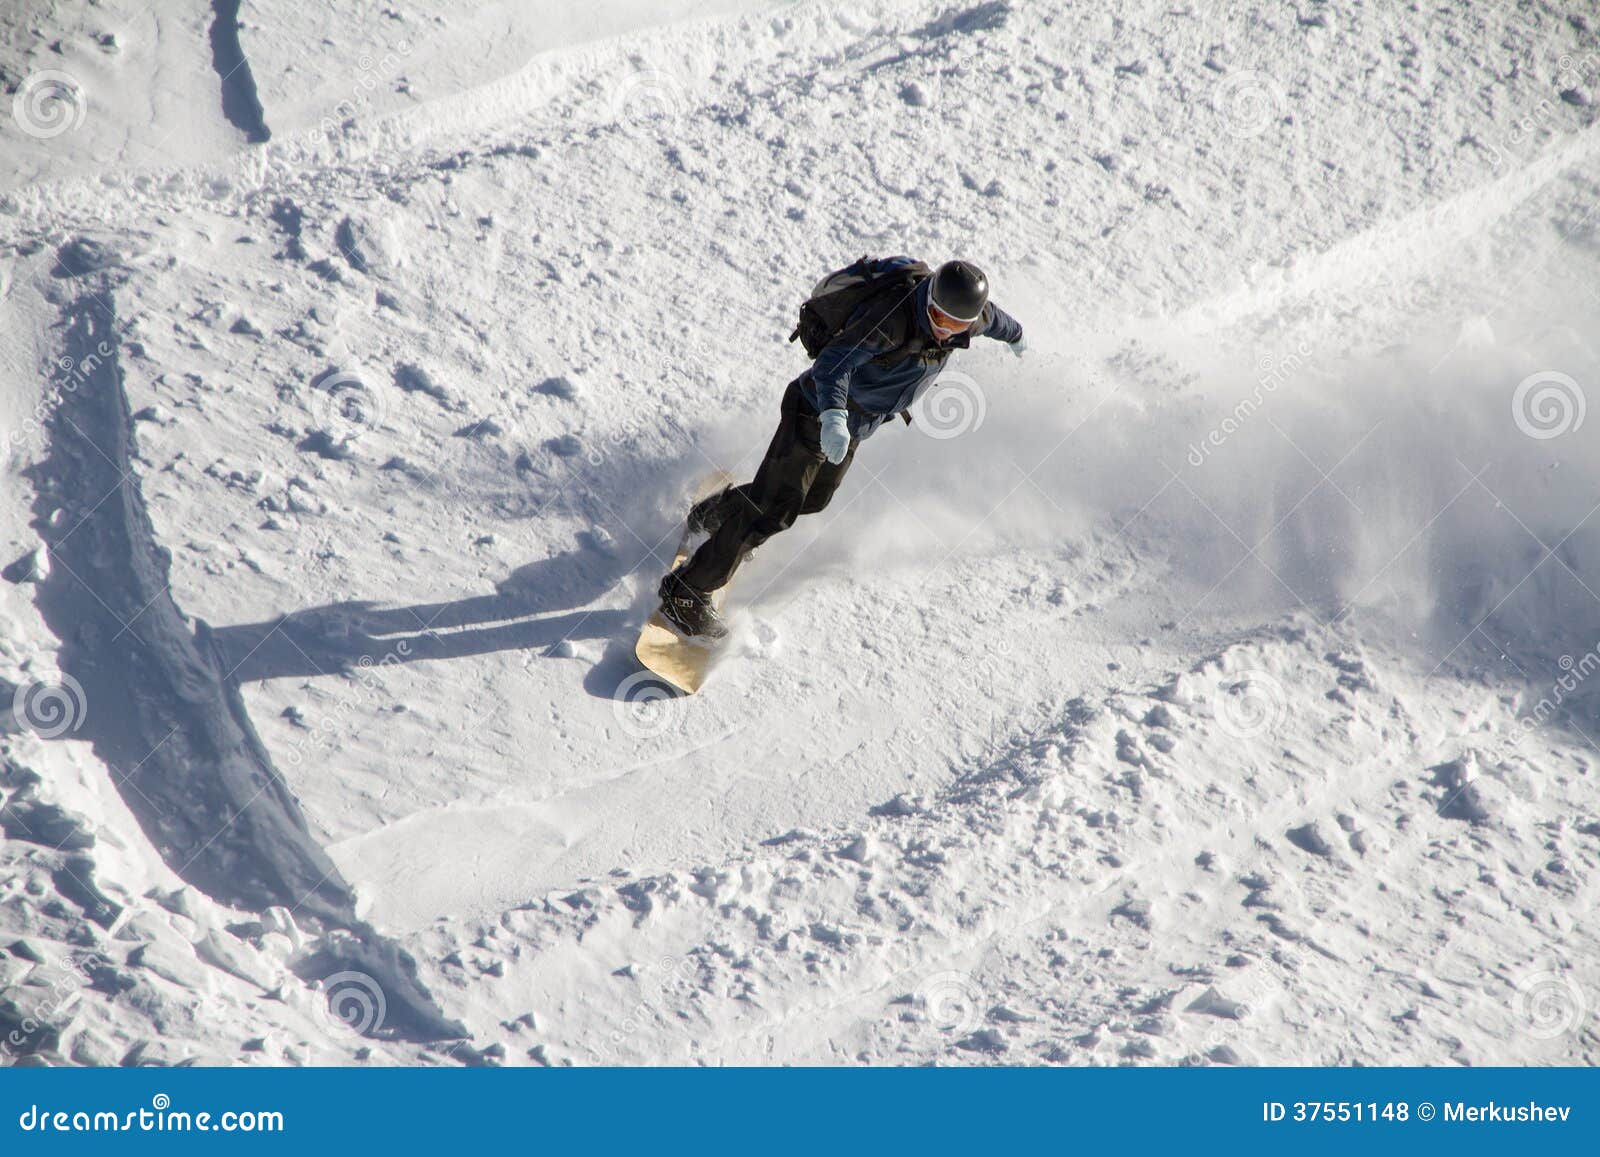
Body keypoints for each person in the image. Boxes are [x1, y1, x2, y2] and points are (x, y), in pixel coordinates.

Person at [657, 257, 1026, 638]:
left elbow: (994, 319)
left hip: (854, 425)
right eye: (938, 317)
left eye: (957, 325)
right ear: (930, 298)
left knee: (815, 498)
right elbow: (834, 363)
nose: (945, 330)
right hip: (815, 410)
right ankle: (685, 593)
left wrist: (1017, 337)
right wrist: (833, 415)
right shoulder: (892, 320)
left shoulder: (968, 319)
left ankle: (717, 513)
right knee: (774, 509)